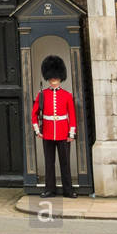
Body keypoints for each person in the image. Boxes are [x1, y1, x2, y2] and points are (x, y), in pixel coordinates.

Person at [32, 54, 77, 198]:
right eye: (51, 79)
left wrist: (71, 134)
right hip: (47, 133)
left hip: (63, 133)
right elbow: (34, 114)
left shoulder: (67, 95)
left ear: (60, 78)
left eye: (56, 78)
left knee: (65, 163)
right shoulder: (42, 95)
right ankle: (50, 189)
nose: (54, 81)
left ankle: (68, 190)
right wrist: (37, 130)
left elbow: (72, 116)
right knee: (49, 163)